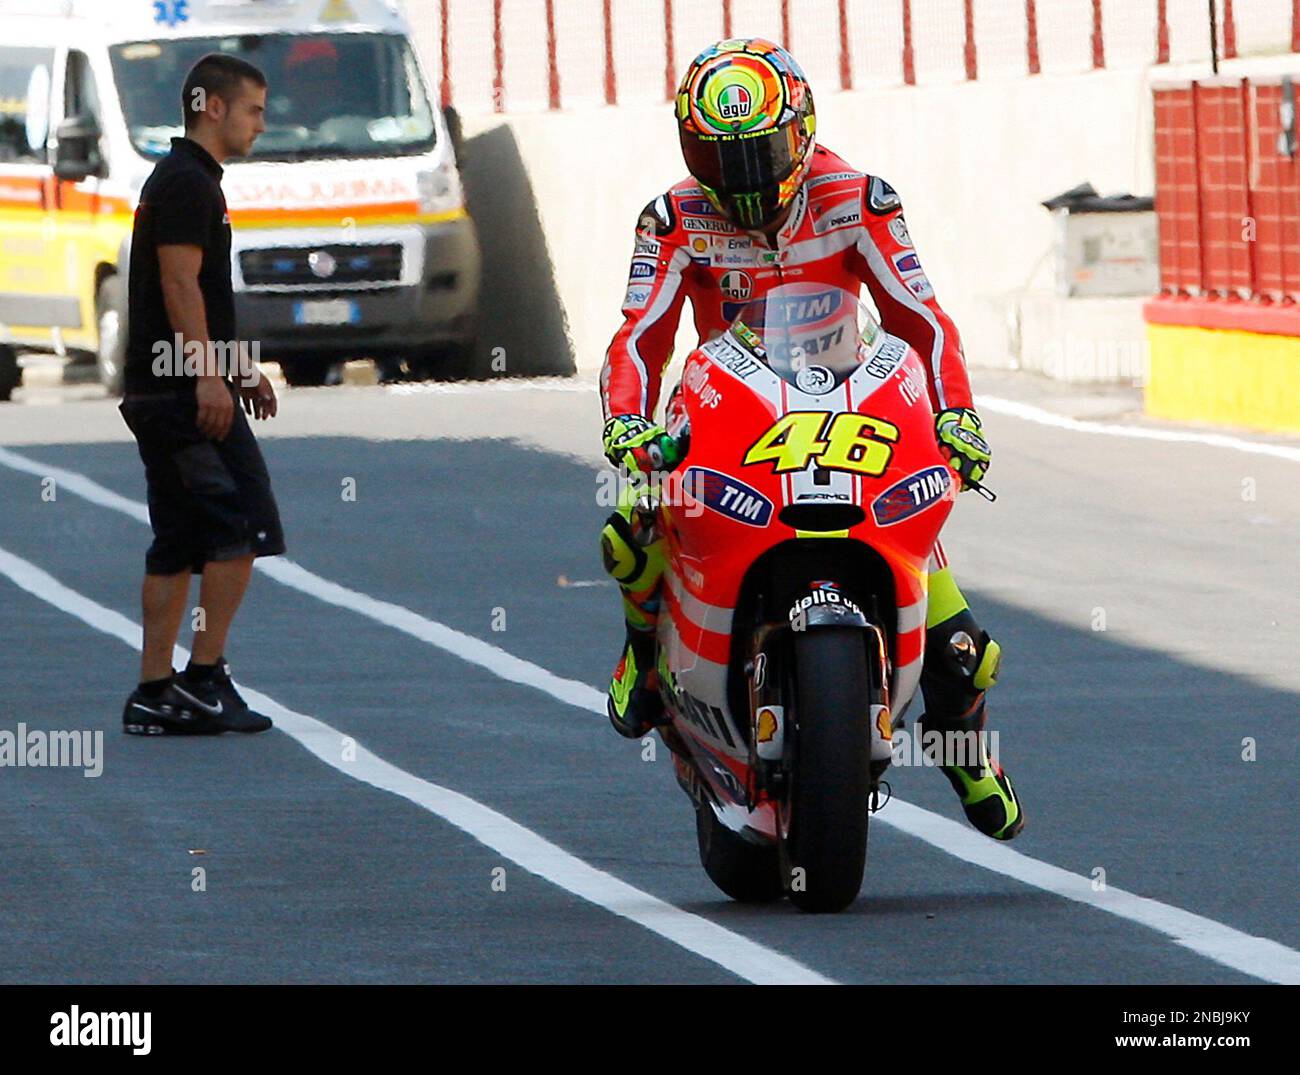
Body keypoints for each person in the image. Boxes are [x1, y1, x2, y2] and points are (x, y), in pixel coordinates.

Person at [598, 38, 1022, 840]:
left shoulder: (859, 196)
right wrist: (626, 421)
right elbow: (638, 337)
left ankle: (964, 744)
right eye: (723, 158)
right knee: (628, 525)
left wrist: (956, 413)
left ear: (801, 132)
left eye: (762, 154)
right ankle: (641, 654)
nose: (746, 179)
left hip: (849, 410)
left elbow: (922, 321)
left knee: (964, 647)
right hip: (729, 411)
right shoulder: (672, 217)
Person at [119, 53, 283, 736]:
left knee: (177, 540)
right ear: (212, 107)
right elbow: (179, 286)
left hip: (164, 385)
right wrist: (210, 377)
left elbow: (194, 299)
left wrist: (237, 365)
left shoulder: (182, 179)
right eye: (253, 111)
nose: (259, 126)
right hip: (183, 394)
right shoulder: (189, 183)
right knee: (239, 526)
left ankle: (155, 690)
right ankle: (203, 679)